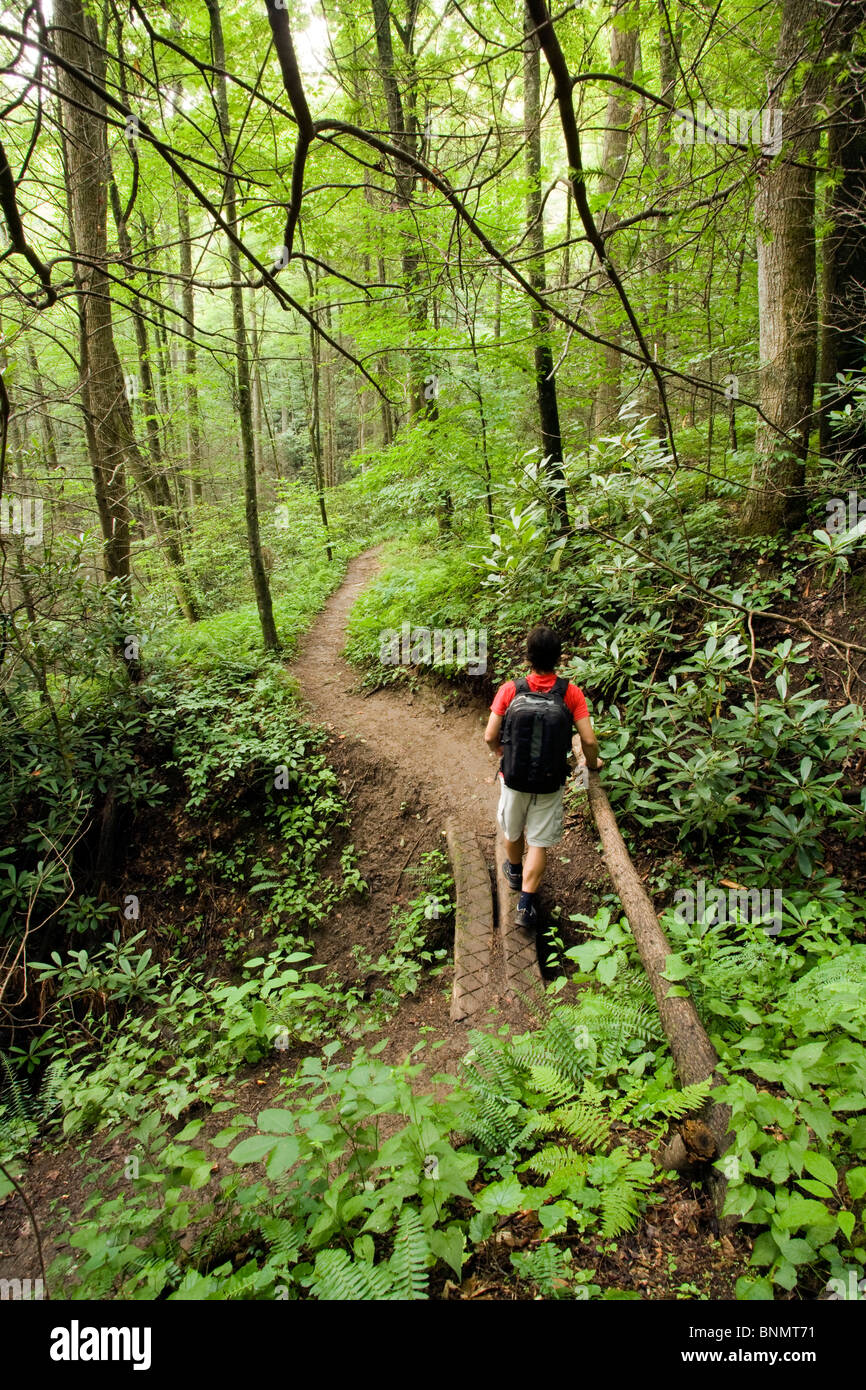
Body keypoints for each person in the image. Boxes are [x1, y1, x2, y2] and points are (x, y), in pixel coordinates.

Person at [484, 625, 602, 929]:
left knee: (513, 832)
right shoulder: (571, 692)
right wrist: (592, 764)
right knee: (538, 842)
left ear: (528, 656)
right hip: (550, 782)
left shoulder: (511, 689)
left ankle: (513, 871)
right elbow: (588, 741)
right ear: (558, 658)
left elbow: (489, 735)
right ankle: (525, 906)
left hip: (513, 777)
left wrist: (501, 751)